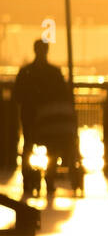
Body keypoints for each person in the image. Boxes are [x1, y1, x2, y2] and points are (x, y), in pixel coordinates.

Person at [14, 39, 69, 199]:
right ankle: (49, 180)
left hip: (30, 116)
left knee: (28, 147)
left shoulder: (25, 72)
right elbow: (62, 95)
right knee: (52, 149)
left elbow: (17, 95)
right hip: (49, 117)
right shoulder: (54, 73)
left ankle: (28, 181)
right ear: (46, 51)